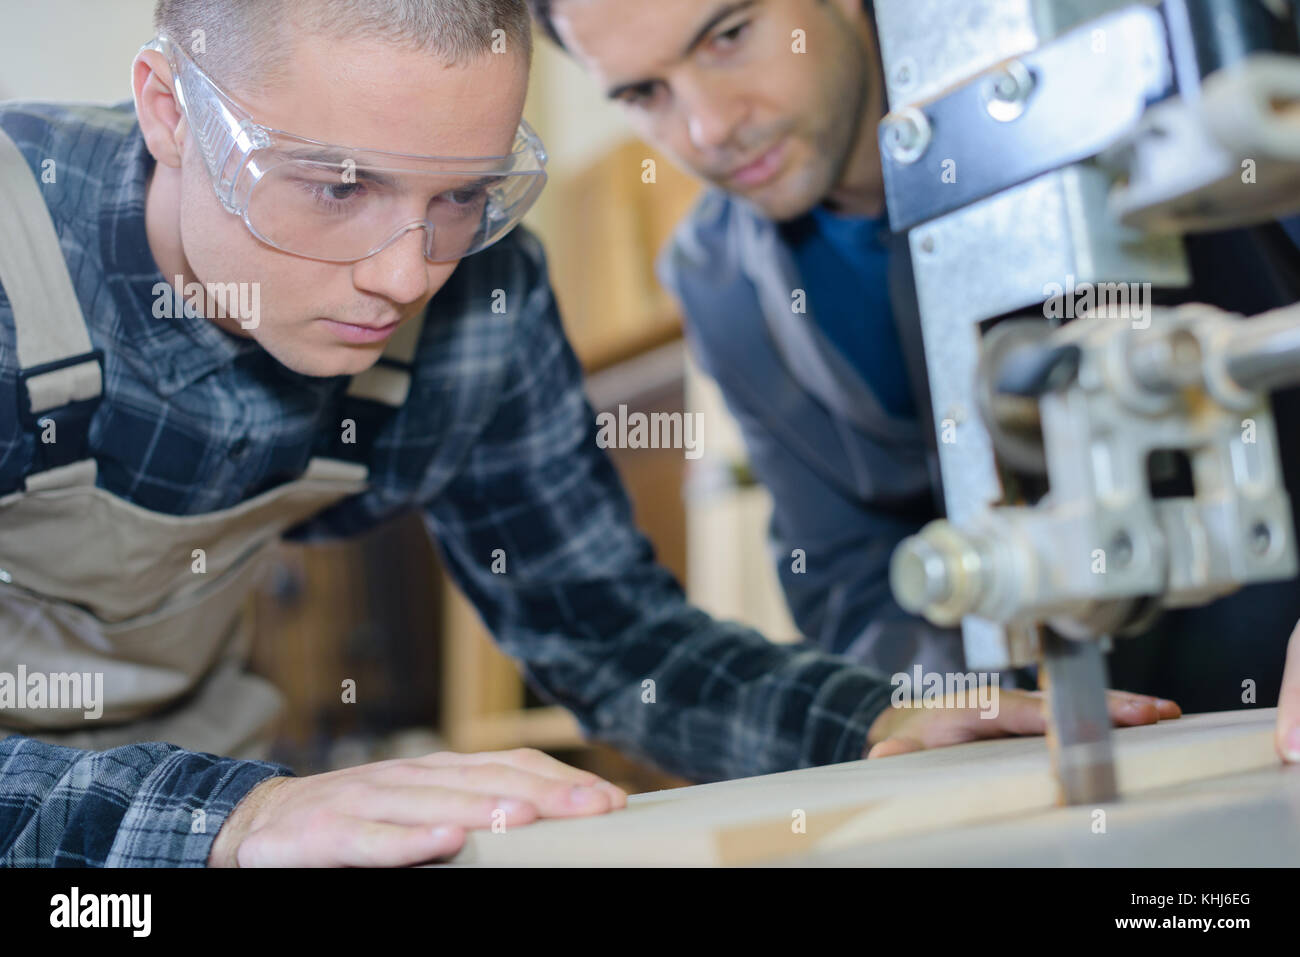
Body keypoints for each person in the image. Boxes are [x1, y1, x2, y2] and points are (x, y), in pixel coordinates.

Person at [0, 0, 1176, 868]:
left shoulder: (481, 298)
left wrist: (866, 722)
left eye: (459, 194)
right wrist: (230, 819)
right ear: (167, 109)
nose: (406, 273)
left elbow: (607, 633)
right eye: (338, 185)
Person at [526, 0, 1300, 758]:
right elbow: (846, 572)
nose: (707, 128)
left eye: (729, 36)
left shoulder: (1126, 55)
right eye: (642, 94)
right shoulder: (716, 282)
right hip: (1088, 741)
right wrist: (930, 712)